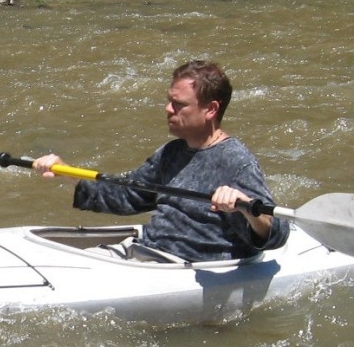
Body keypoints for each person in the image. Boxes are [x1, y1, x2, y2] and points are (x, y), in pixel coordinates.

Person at [32, 60, 289, 262]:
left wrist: (245, 206)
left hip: (188, 264)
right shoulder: (172, 152)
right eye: (169, 100)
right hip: (148, 253)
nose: (167, 109)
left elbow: (276, 233)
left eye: (178, 104)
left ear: (210, 109)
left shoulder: (236, 161)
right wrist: (65, 172)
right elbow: (126, 196)